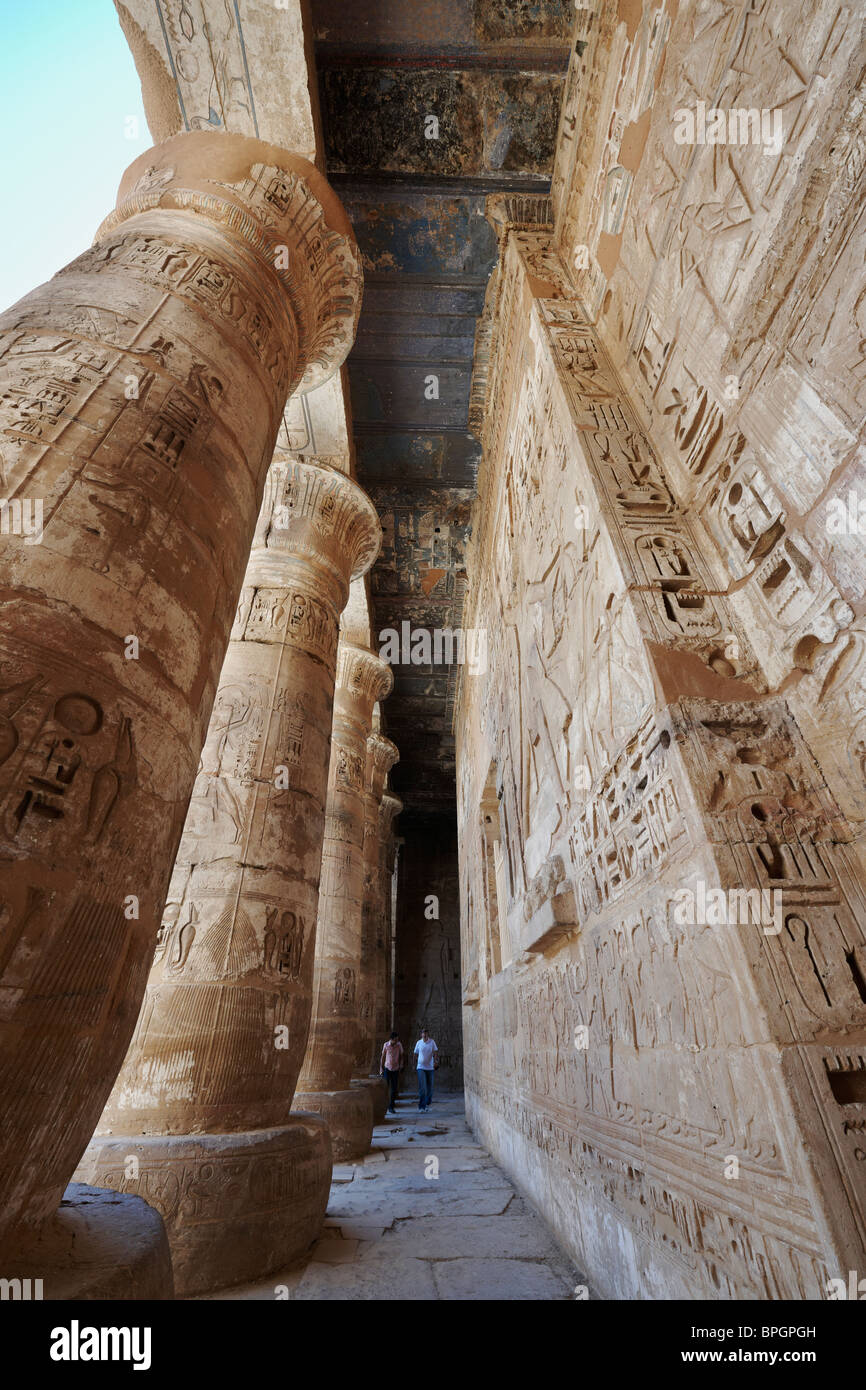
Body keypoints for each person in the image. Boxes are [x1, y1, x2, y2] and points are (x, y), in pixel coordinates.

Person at [413, 1027, 438, 1112]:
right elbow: (415, 1053)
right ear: (421, 1035)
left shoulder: (432, 1042)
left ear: (428, 1035)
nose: (424, 1035)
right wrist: (416, 1062)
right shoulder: (419, 1043)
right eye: (423, 1034)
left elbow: (435, 1052)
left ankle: (427, 1103)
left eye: (426, 1034)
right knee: (422, 1087)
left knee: (430, 1087)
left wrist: (435, 1061)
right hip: (421, 1067)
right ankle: (421, 1107)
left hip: (430, 1067)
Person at [380, 1032, 403, 1114]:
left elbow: (401, 1055)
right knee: (386, 1087)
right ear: (391, 1039)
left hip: (395, 1069)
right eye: (395, 1040)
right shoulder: (386, 1045)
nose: (397, 1041)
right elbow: (383, 1057)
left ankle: (391, 1107)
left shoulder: (399, 1045)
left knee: (394, 1089)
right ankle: (384, 1105)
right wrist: (381, 1069)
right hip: (387, 1068)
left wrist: (401, 1065)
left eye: (397, 1039)